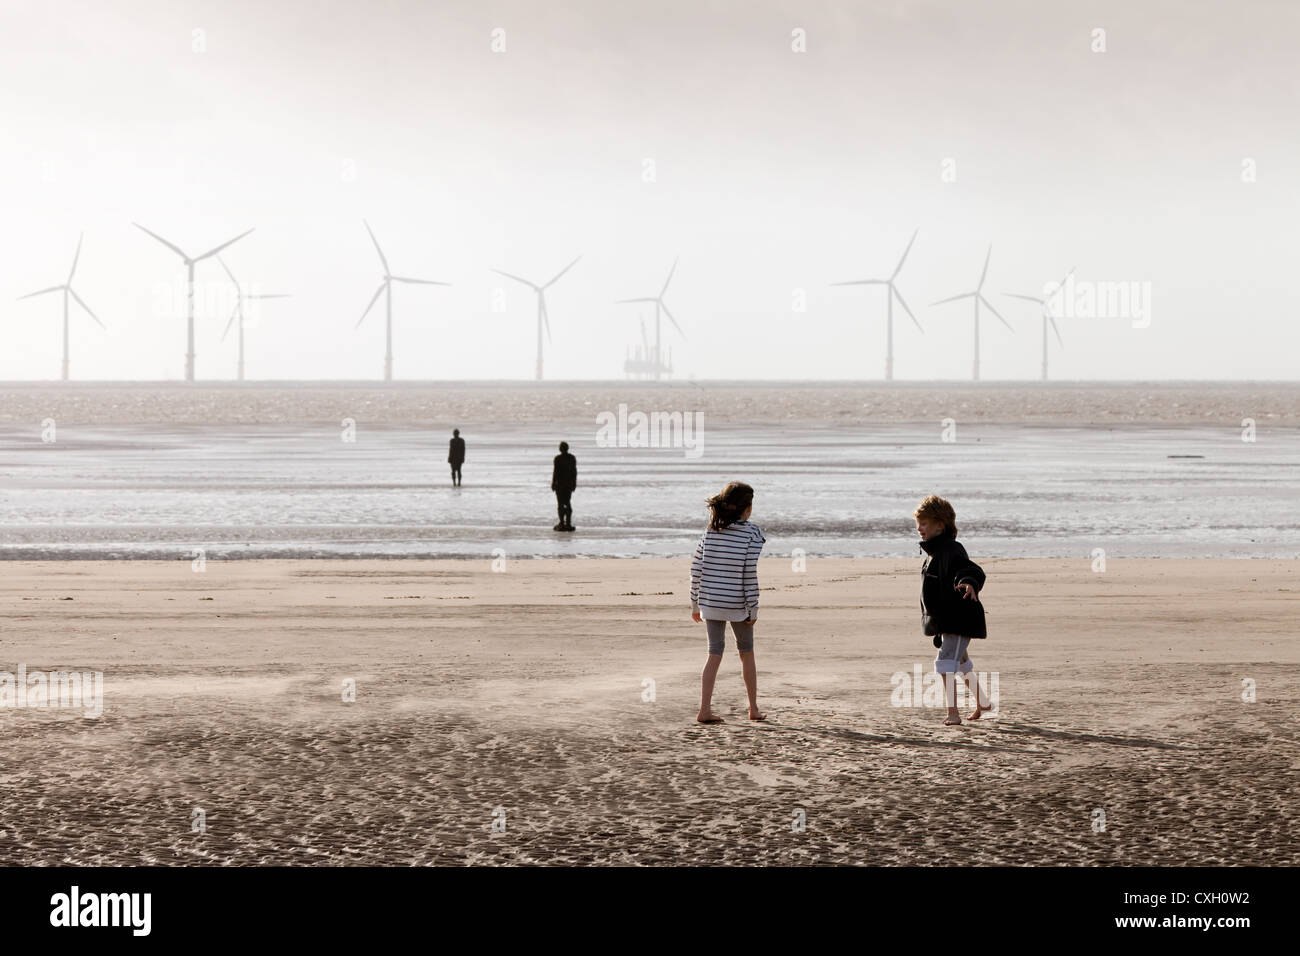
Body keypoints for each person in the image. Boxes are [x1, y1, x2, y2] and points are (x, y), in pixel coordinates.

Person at [690, 481, 766, 723]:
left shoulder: (711, 531)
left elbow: (696, 569)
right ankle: (753, 709)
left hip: (710, 602)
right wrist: (752, 607)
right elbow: (748, 573)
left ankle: (704, 710)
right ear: (747, 508)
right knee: (747, 652)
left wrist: (694, 603)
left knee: (714, 653)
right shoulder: (752, 533)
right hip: (737, 604)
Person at [914, 494, 990, 725]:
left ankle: (953, 714)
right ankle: (984, 702)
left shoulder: (952, 550)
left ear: (940, 525)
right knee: (962, 663)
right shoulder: (933, 554)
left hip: (960, 619)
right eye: (918, 523)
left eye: (924, 523)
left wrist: (969, 582)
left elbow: (969, 569)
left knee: (945, 663)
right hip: (947, 621)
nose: (919, 528)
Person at [551, 441, 577, 531]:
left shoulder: (558, 458)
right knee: (567, 503)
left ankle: (563, 523)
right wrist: (574, 484)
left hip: (560, 485)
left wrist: (553, 483)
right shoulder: (572, 458)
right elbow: (574, 472)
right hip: (568, 485)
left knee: (561, 504)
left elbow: (556, 472)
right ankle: (567, 523)